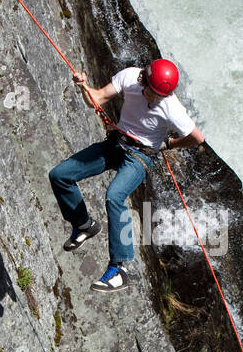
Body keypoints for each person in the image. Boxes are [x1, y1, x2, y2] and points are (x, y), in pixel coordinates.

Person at [49, 58, 205, 291]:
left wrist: (168, 144)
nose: (155, 99)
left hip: (140, 157)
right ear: (143, 80)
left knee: (115, 196)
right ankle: (83, 225)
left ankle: (119, 269)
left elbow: (197, 138)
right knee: (60, 174)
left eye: (161, 96)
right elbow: (98, 98)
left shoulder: (171, 107)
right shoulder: (130, 77)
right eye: (152, 93)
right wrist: (84, 87)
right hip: (116, 145)